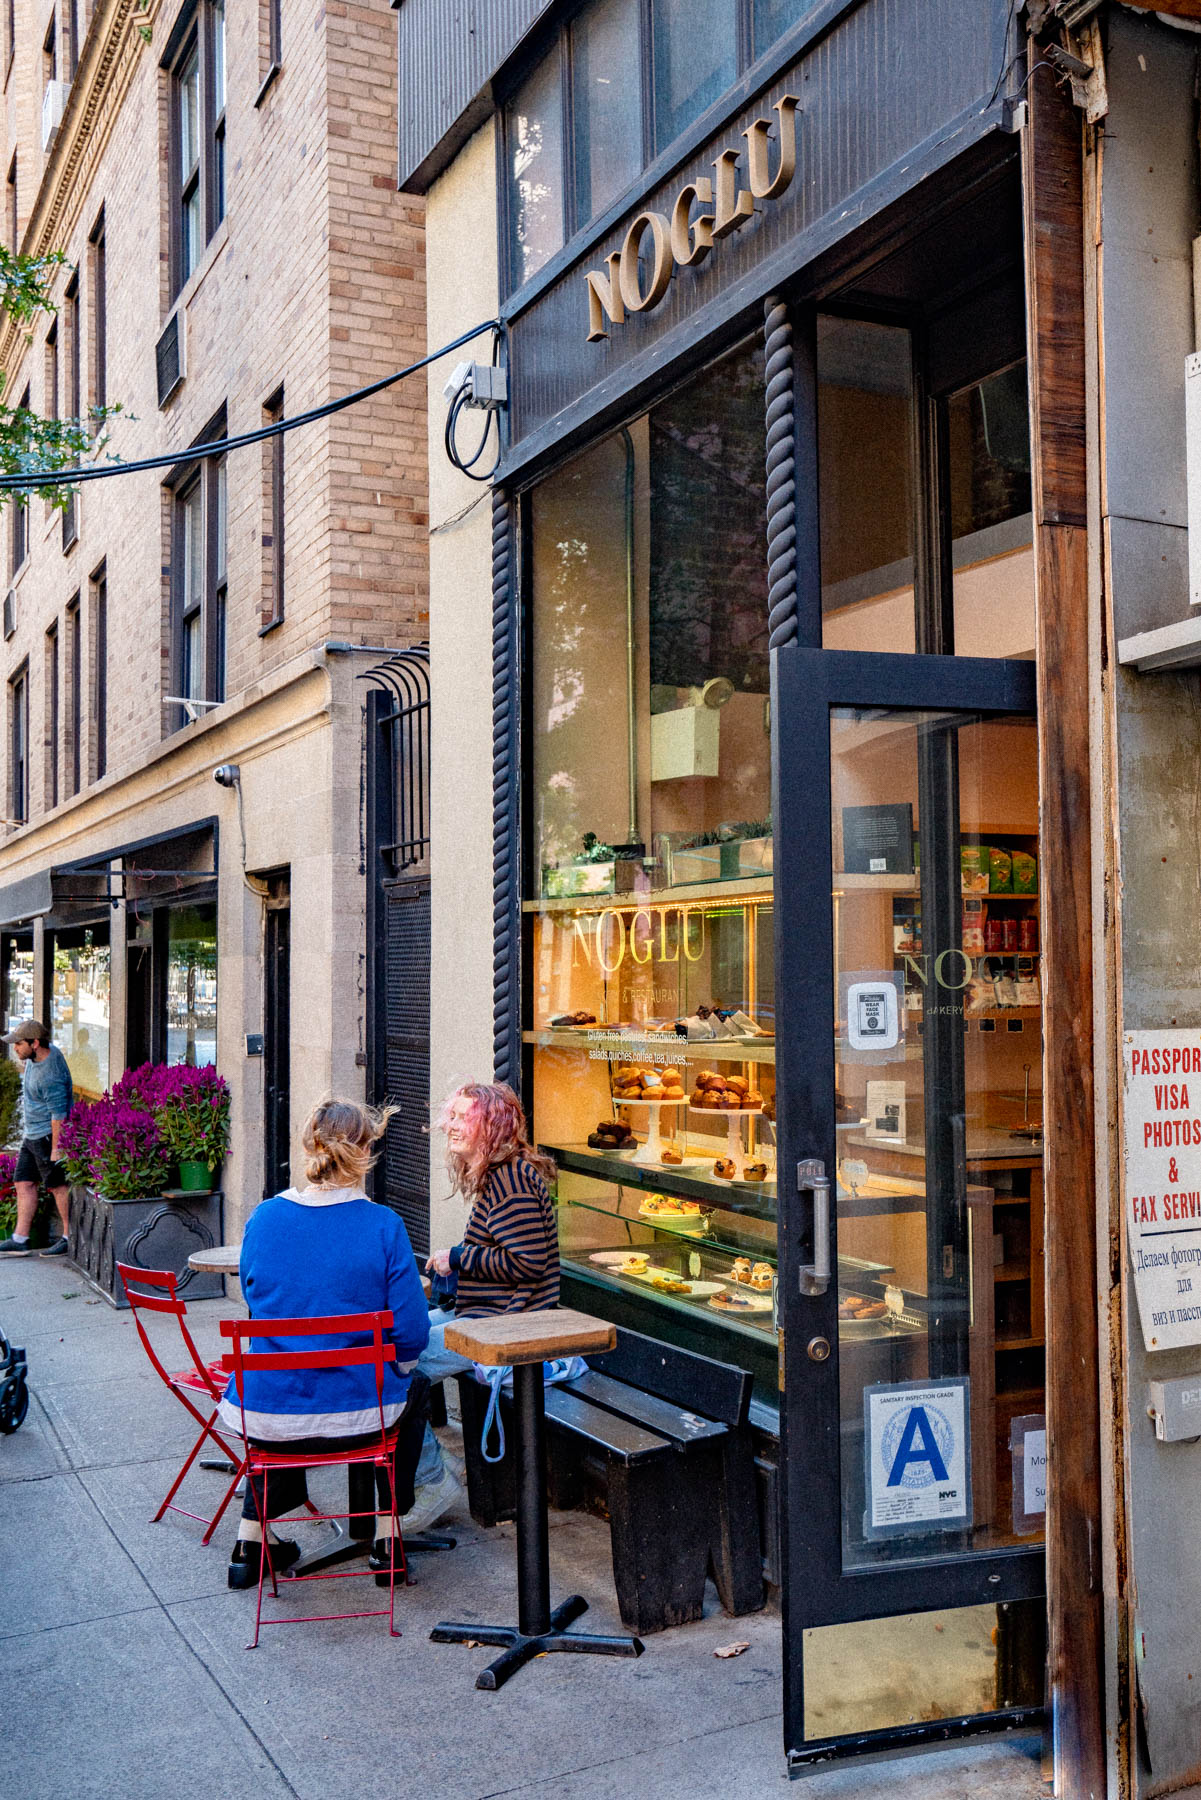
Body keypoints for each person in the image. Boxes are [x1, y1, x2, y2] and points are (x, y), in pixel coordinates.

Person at [217, 1097, 431, 1590]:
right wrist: (397, 1369)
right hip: (361, 1418)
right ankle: (386, 1538)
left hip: (268, 1418)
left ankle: (249, 1543)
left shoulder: (264, 1219)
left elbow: (255, 1295)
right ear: (365, 1152)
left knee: (285, 1389)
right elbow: (412, 1334)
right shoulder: (383, 1225)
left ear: (308, 1145)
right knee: (412, 1387)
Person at [407, 1081, 559, 1532]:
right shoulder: (499, 1174)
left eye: (462, 1117)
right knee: (395, 1344)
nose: (451, 1126)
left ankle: (433, 1481)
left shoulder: (509, 1179)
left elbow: (528, 1263)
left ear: (492, 1124)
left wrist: (457, 1257)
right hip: (482, 1314)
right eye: (450, 1116)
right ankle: (428, 1473)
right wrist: (456, 1259)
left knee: (396, 1372)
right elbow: (504, 1248)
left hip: (505, 1325)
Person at [0, 1019, 74, 1257]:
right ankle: (20, 1239)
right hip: (32, 1135)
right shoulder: (36, 1058)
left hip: (45, 1136)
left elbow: (59, 1115)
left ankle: (69, 1237)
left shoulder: (49, 1075)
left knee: (58, 1186)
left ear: (35, 1043)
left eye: (19, 1044)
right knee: (23, 1182)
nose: (15, 1049)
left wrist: (56, 1149)